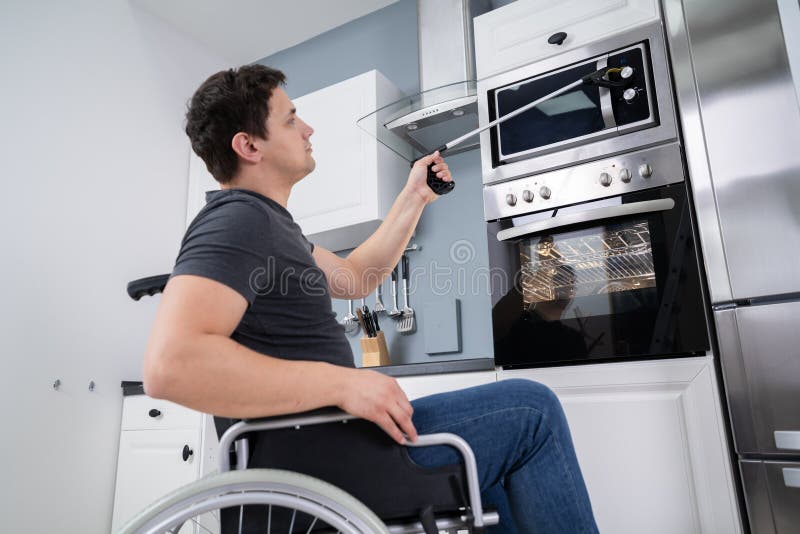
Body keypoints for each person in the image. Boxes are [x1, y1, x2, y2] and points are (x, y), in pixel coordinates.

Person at [143, 64, 598, 533]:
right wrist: (343, 385)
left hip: (334, 450)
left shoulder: (273, 226)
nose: (307, 128)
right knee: (530, 411)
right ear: (249, 145)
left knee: (494, 470)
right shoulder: (237, 221)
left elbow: (355, 278)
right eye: (290, 119)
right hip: (328, 462)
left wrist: (414, 196)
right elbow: (170, 365)